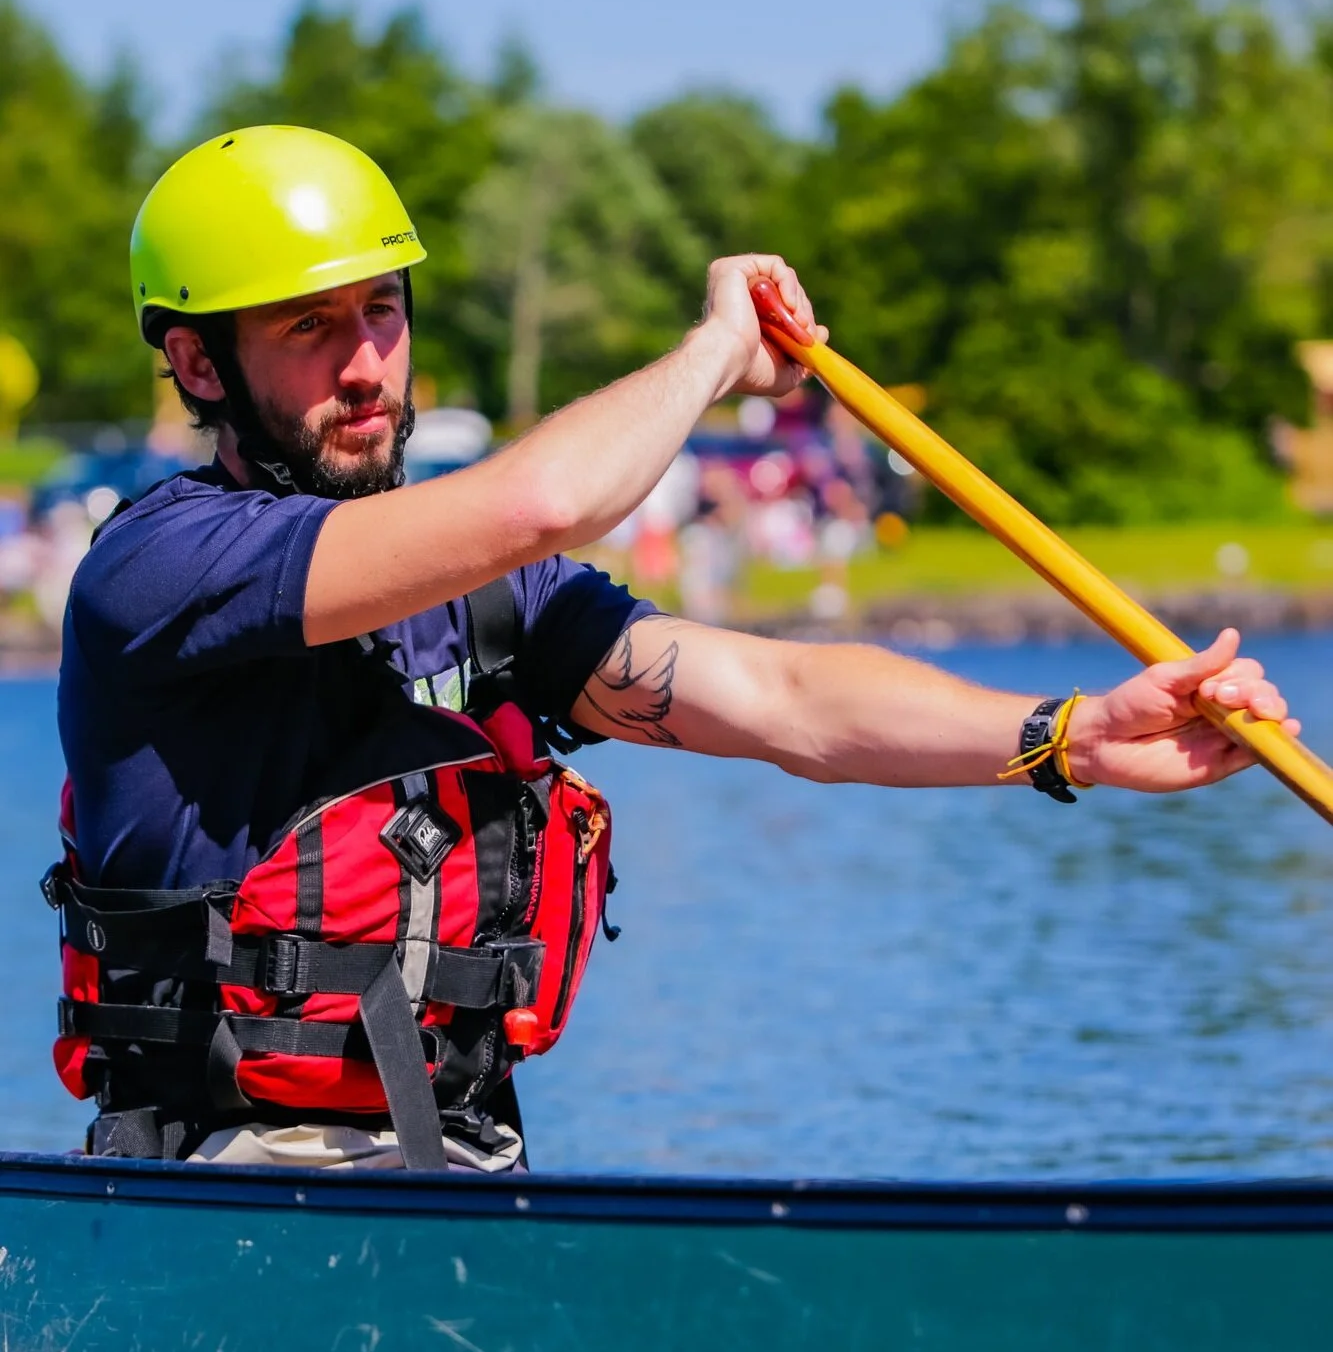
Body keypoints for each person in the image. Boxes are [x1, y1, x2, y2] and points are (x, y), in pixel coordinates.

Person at [50, 125, 1296, 1174]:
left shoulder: (498, 601)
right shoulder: (161, 566)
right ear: (198, 361)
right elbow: (536, 499)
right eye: (310, 328)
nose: (368, 362)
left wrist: (1069, 733)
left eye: (382, 309)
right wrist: (711, 352)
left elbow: (785, 695)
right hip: (219, 1176)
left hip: (457, 1169)